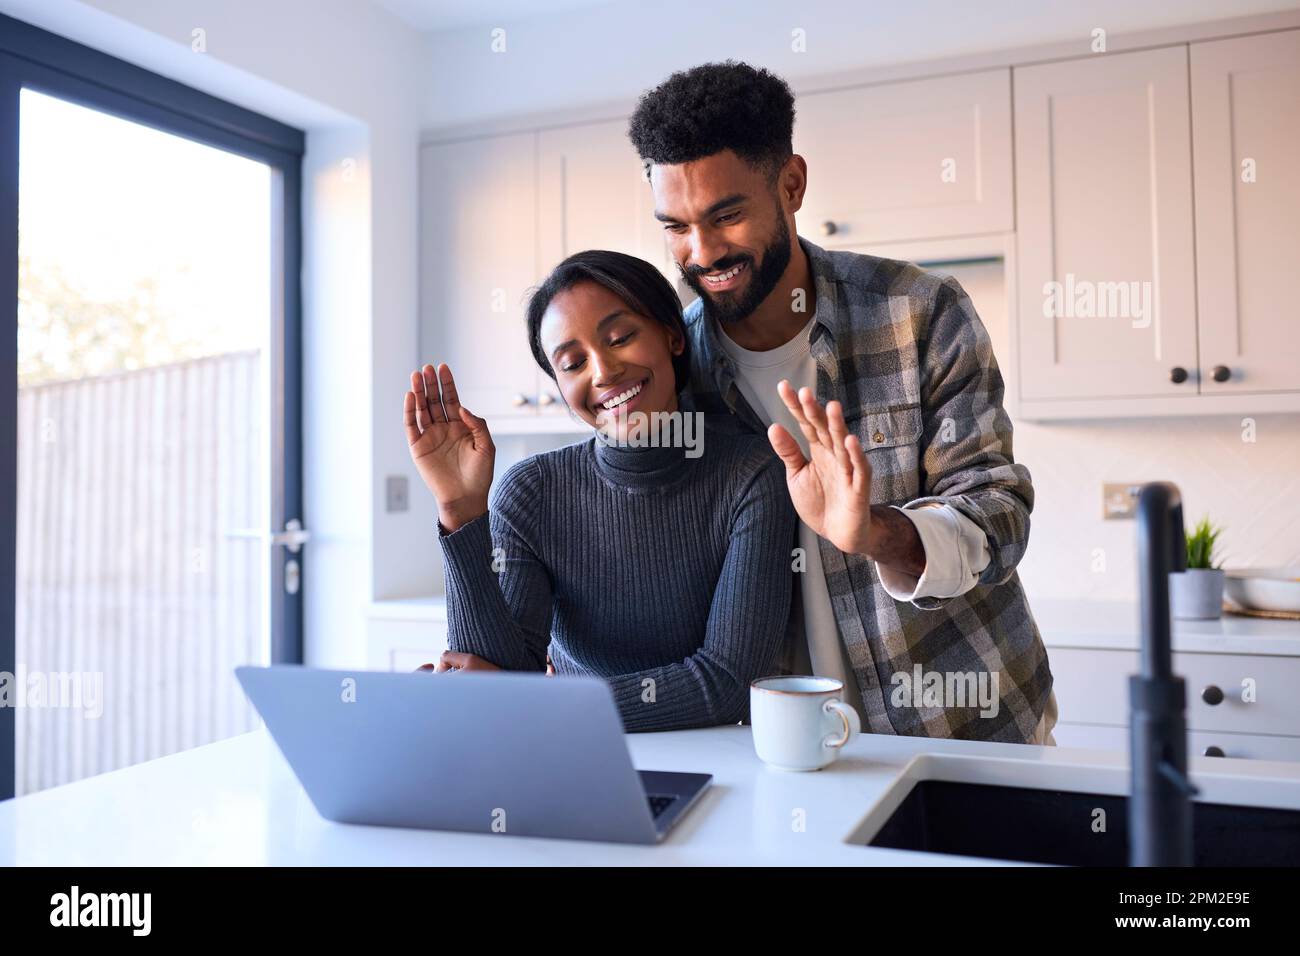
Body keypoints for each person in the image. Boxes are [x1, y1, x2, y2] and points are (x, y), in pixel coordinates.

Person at [627, 60, 1057, 744]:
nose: (701, 252)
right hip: (783, 747)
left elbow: (999, 515)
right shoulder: (674, 368)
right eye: (674, 226)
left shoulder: (917, 313)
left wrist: (876, 533)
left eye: (727, 215)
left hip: (965, 733)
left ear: (791, 184)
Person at [403, 250, 797, 732]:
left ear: (672, 336)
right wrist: (460, 511)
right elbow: (493, 682)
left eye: (621, 337)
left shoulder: (751, 475)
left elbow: (727, 684)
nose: (603, 372)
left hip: (716, 766)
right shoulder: (532, 492)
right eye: (572, 363)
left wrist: (543, 704)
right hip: (570, 757)